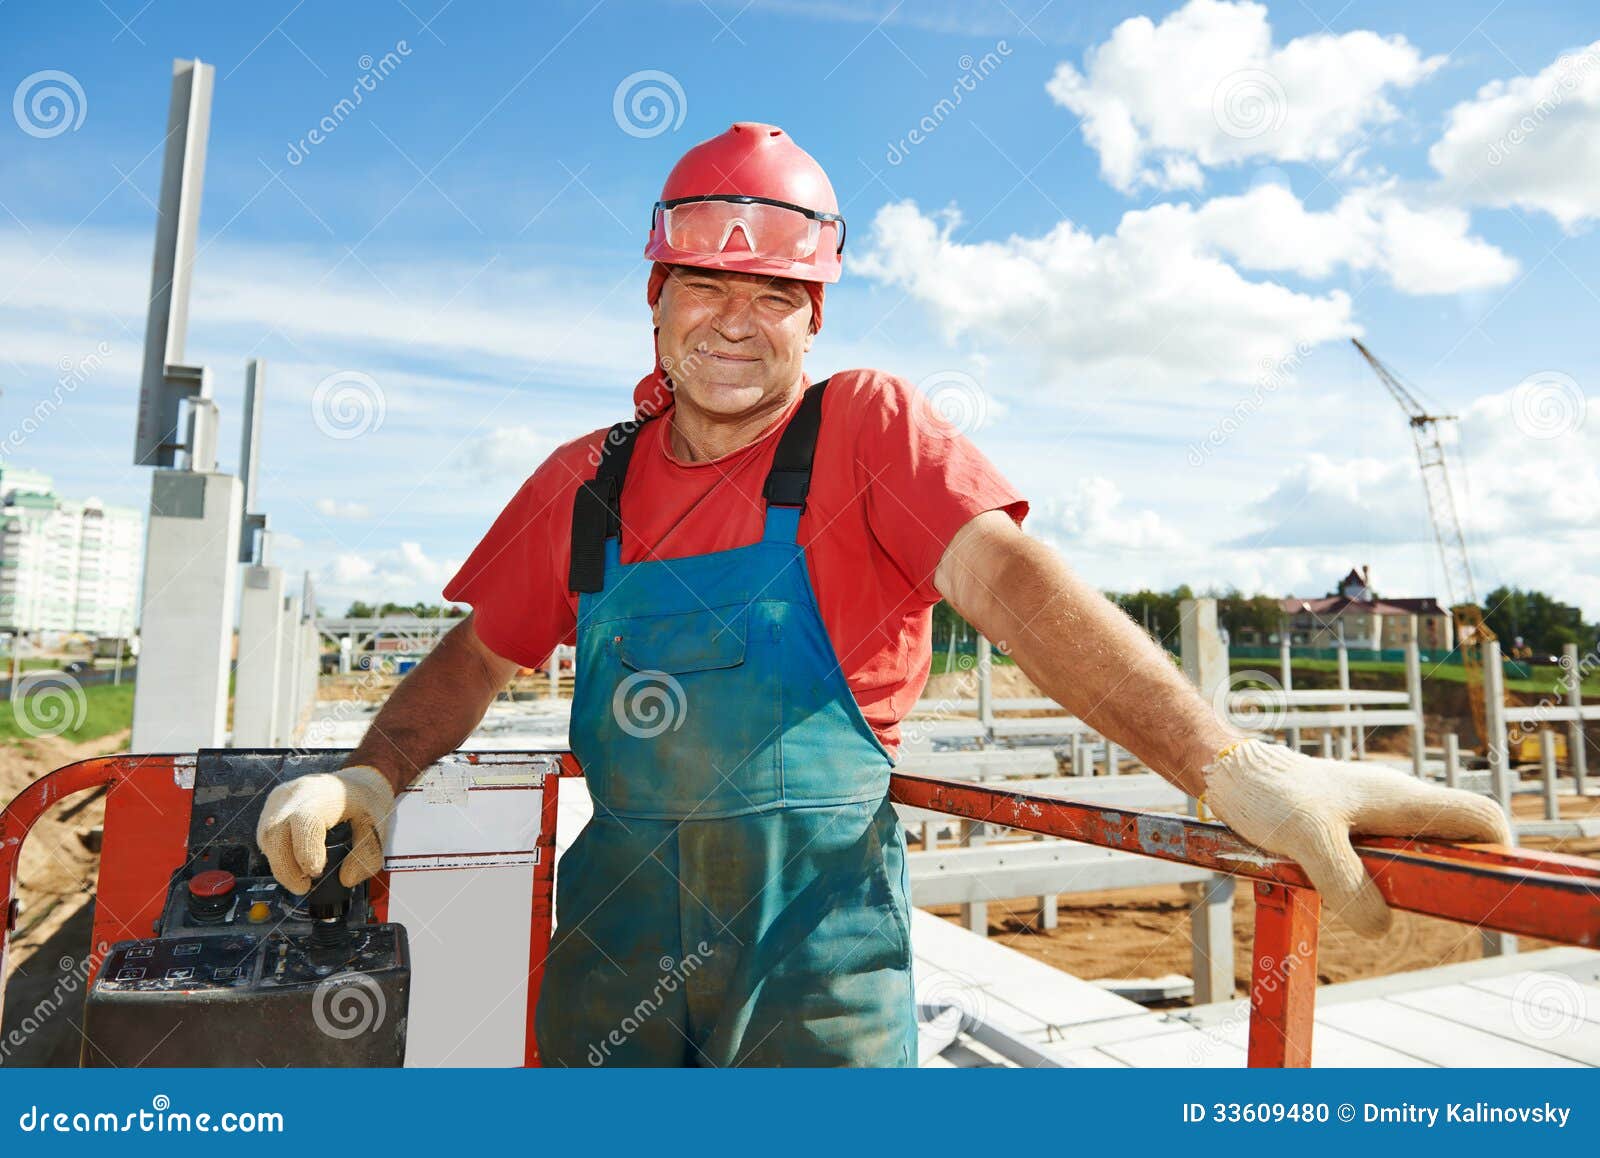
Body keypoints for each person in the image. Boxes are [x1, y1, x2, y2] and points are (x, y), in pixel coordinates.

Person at [257, 122, 1509, 1068]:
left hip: (816, 963)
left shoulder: (866, 433)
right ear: (655, 299)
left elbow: (1014, 593)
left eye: (774, 297)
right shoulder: (583, 482)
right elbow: (476, 659)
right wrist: (371, 774)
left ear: (816, 313)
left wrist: (1225, 768)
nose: (736, 323)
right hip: (611, 957)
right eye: (705, 287)